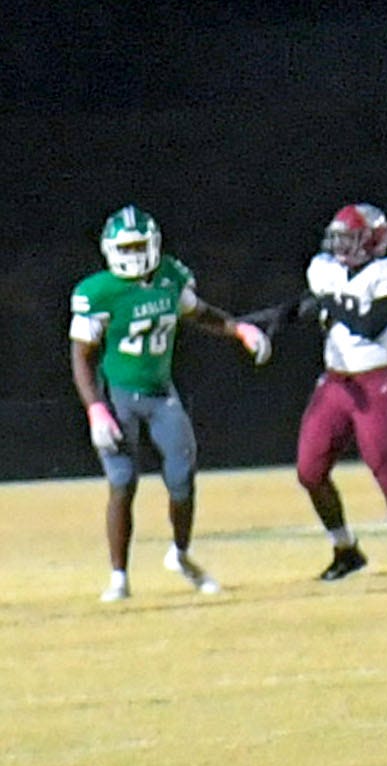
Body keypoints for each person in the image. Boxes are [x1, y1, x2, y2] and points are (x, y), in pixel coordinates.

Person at [68, 207, 271, 600]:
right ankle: (118, 577)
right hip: (120, 396)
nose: (133, 253)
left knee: (182, 476)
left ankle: (179, 555)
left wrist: (239, 329)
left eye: (139, 245)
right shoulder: (98, 292)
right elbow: (81, 356)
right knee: (122, 481)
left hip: (162, 393)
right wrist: (95, 407)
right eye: (125, 247)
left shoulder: (169, 278)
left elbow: (200, 313)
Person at [276, 204, 387, 580]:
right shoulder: (325, 269)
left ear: (374, 240)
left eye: (350, 238)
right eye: (339, 237)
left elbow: (370, 325)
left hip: (377, 380)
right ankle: (345, 548)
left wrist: (328, 302)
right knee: (310, 471)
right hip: (335, 382)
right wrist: (274, 322)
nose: (341, 245)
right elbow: (306, 306)